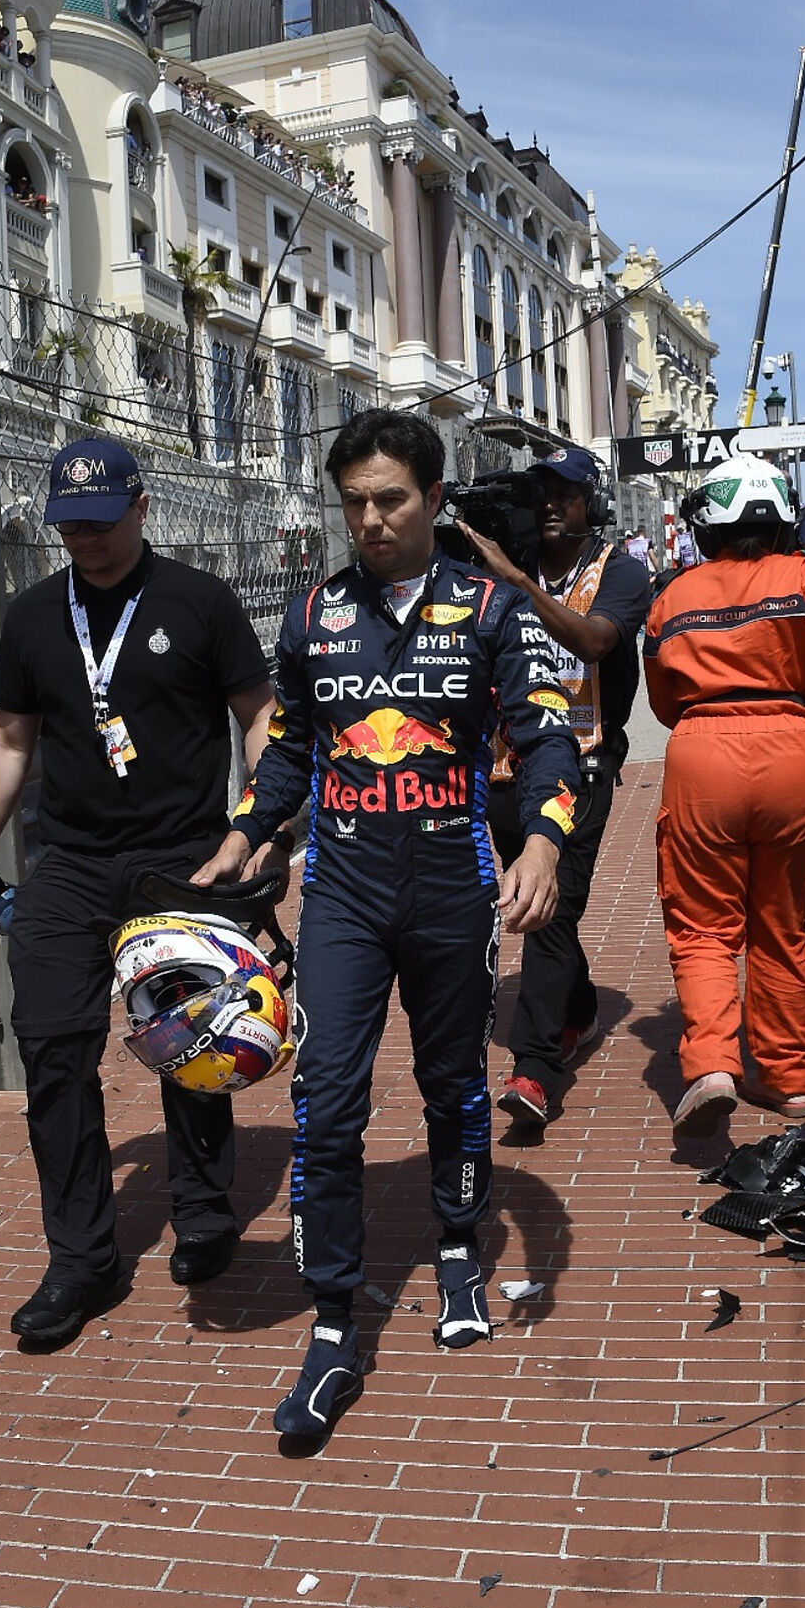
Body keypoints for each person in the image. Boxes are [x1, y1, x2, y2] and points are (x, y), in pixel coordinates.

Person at [196, 409, 580, 1438]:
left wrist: (542, 847)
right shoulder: (312, 613)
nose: (369, 520)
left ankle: (457, 1246)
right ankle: (331, 1324)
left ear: (433, 498)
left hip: (453, 887)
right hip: (344, 894)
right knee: (326, 1101)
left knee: (454, 1084)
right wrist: (246, 833)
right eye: (353, 503)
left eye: (390, 500)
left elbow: (551, 741)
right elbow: (287, 751)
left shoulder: (494, 608)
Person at [0, 437, 286, 1346]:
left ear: (141, 507)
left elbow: (259, 716)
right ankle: (81, 1259)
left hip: (183, 859)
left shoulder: (199, 601)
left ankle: (205, 1210)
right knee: (52, 1050)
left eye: (101, 522)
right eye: (70, 526)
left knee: (191, 1038)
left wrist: (259, 829)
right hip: (67, 864)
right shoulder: (34, 614)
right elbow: (10, 739)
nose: (86, 540)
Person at [643, 457, 805, 1139]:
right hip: (791, 752)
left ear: (708, 525)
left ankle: (712, 1065)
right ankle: (790, 1080)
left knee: (703, 928)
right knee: (781, 923)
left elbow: (664, 704)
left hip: (702, 754)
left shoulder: (671, 596)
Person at [455, 445, 650, 1127]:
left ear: (591, 503)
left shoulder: (620, 571)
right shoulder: (506, 565)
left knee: (549, 907)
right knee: (546, 903)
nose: (549, 505)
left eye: (564, 494)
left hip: (585, 764)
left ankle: (534, 1070)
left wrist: (513, 581)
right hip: (508, 766)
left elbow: (595, 641)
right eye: (540, 492)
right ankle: (580, 1006)